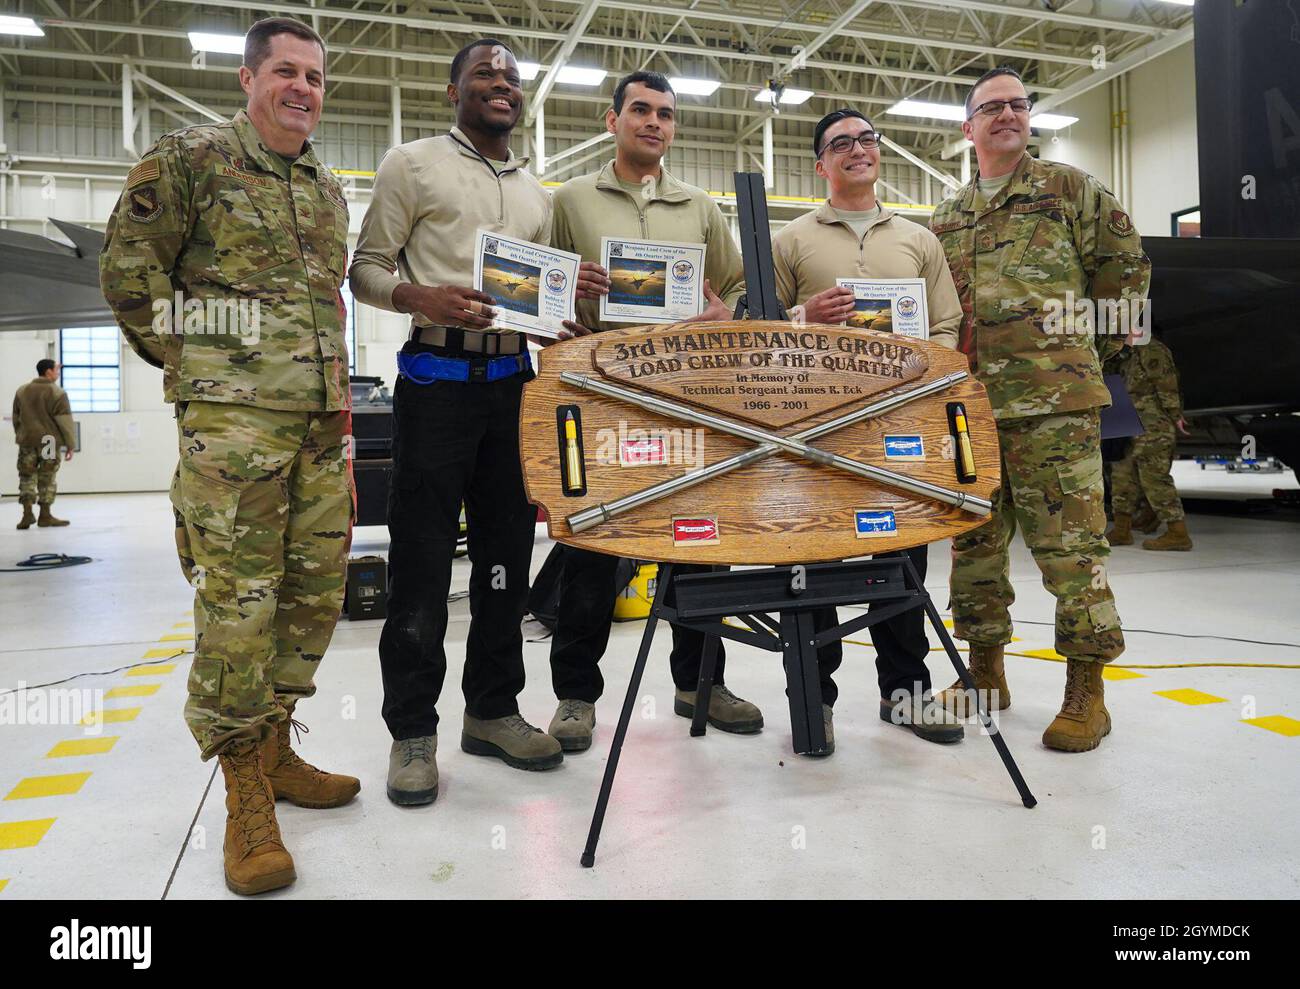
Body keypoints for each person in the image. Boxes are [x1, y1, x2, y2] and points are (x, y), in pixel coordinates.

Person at [100, 17, 359, 895]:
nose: (303, 88)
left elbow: (329, 308)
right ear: (248, 79)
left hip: (323, 430)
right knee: (237, 607)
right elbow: (131, 278)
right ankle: (245, 790)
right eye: (285, 71)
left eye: (316, 77)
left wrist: (343, 409)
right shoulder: (192, 159)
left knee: (314, 595)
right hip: (233, 434)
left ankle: (278, 745)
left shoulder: (326, 189)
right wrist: (203, 368)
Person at [351, 38, 579, 804]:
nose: (500, 84)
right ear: (454, 88)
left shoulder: (536, 193)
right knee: (420, 565)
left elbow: (536, 298)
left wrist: (555, 320)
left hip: (514, 386)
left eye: (512, 77)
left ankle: (492, 709)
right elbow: (366, 270)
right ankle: (413, 730)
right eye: (485, 72)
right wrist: (421, 298)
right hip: (437, 382)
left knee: (506, 562)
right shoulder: (410, 164)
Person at [930, 66, 1151, 752]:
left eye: (1019, 105)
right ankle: (985, 673)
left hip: (1055, 408)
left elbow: (1126, 274)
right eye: (990, 107)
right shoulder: (945, 217)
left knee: (1072, 550)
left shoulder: (1070, 190)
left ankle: (1088, 691)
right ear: (968, 130)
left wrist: (1079, 360)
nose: (1007, 114)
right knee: (974, 547)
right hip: (970, 409)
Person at [542, 71, 762, 754]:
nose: (654, 123)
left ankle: (701, 682)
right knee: (588, 546)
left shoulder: (699, 206)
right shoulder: (572, 200)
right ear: (613, 120)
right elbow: (546, 284)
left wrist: (726, 310)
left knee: (700, 543)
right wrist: (560, 314)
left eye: (666, 114)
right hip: (602, 398)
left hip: (688, 400)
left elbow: (740, 282)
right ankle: (576, 697)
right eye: (641, 110)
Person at [771, 107, 966, 752]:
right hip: (816, 425)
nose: (857, 149)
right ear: (821, 164)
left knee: (902, 557)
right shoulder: (791, 239)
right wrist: (804, 317)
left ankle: (904, 692)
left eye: (866, 139)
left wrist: (922, 368)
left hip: (898, 421)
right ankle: (814, 699)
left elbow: (945, 325)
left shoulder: (918, 239)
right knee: (814, 554)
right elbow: (759, 333)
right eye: (840, 144)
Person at [1106, 332, 1192, 550]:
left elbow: (1166, 383)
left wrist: (1174, 414)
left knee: (1154, 477)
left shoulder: (1152, 349)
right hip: (1128, 422)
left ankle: (1178, 533)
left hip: (1153, 423)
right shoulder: (1125, 354)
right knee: (1122, 476)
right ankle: (1122, 530)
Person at [12, 359, 76, 529]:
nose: (58, 372)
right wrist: (70, 444)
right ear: (48, 372)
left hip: (27, 440)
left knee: (26, 476)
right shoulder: (57, 393)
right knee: (47, 477)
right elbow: (65, 421)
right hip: (48, 441)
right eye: (56, 369)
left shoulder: (22, 391)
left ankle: (27, 514)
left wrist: (21, 434)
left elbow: (16, 418)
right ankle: (45, 515)